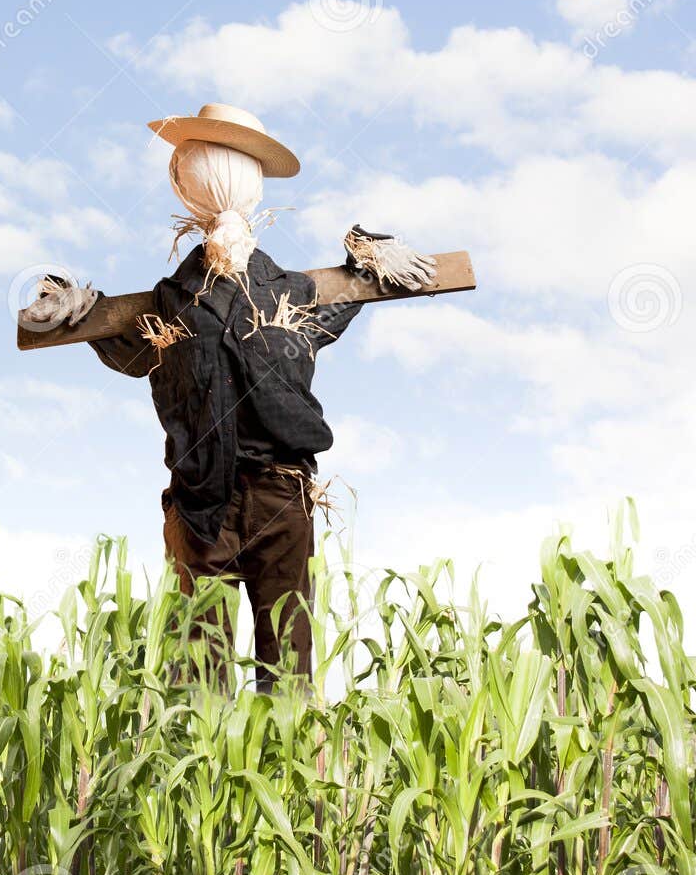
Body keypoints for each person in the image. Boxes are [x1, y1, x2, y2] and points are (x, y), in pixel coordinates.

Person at [28, 103, 435, 691]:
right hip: (199, 507)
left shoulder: (293, 294)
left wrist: (369, 252)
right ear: (184, 187)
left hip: (282, 495)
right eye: (199, 168)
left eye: (222, 168)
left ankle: (291, 781)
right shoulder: (167, 307)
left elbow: (353, 292)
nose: (212, 182)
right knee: (198, 685)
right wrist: (78, 311)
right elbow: (124, 346)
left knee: (288, 676)